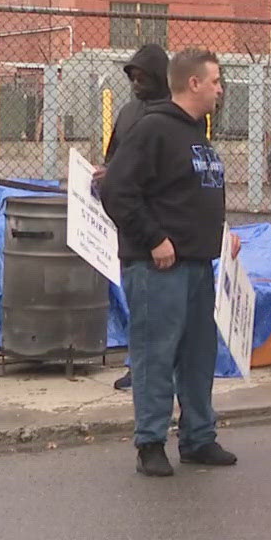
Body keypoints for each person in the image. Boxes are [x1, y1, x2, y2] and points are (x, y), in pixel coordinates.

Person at [102, 49, 240, 477]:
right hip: (157, 268)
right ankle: (151, 443)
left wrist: (221, 234)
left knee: (199, 355)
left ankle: (199, 437)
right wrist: (155, 239)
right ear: (193, 83)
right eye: (215, 81)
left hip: (198, 265)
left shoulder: (197, 132)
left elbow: (191, 192)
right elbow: (117, 192)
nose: (220, 89)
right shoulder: (153, 130)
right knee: (155, 355)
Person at [102, 44, 169, 392]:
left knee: (163, 307)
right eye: (133, 78)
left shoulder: (174, 115)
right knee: (139, 302)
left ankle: (159, 370)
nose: (137, 84)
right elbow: (113, 159)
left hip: (165, 227)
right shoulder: (128, 113)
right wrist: (105, 175)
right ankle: (139, 367)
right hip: (133, 225)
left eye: (143, 77)